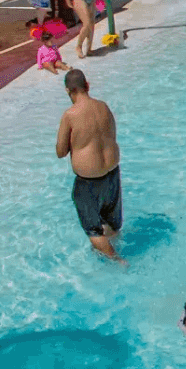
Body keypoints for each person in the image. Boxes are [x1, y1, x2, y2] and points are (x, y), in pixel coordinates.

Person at [56, 69, 123, 264]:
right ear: (87, 85)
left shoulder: (70, 115)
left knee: (93, 230)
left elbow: (60, 151)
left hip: (89, 182)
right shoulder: (104, 107)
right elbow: (111, 135)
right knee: (111, 224)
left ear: (68, 90)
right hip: (113, 175)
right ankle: (109, 248)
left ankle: (119, 262)